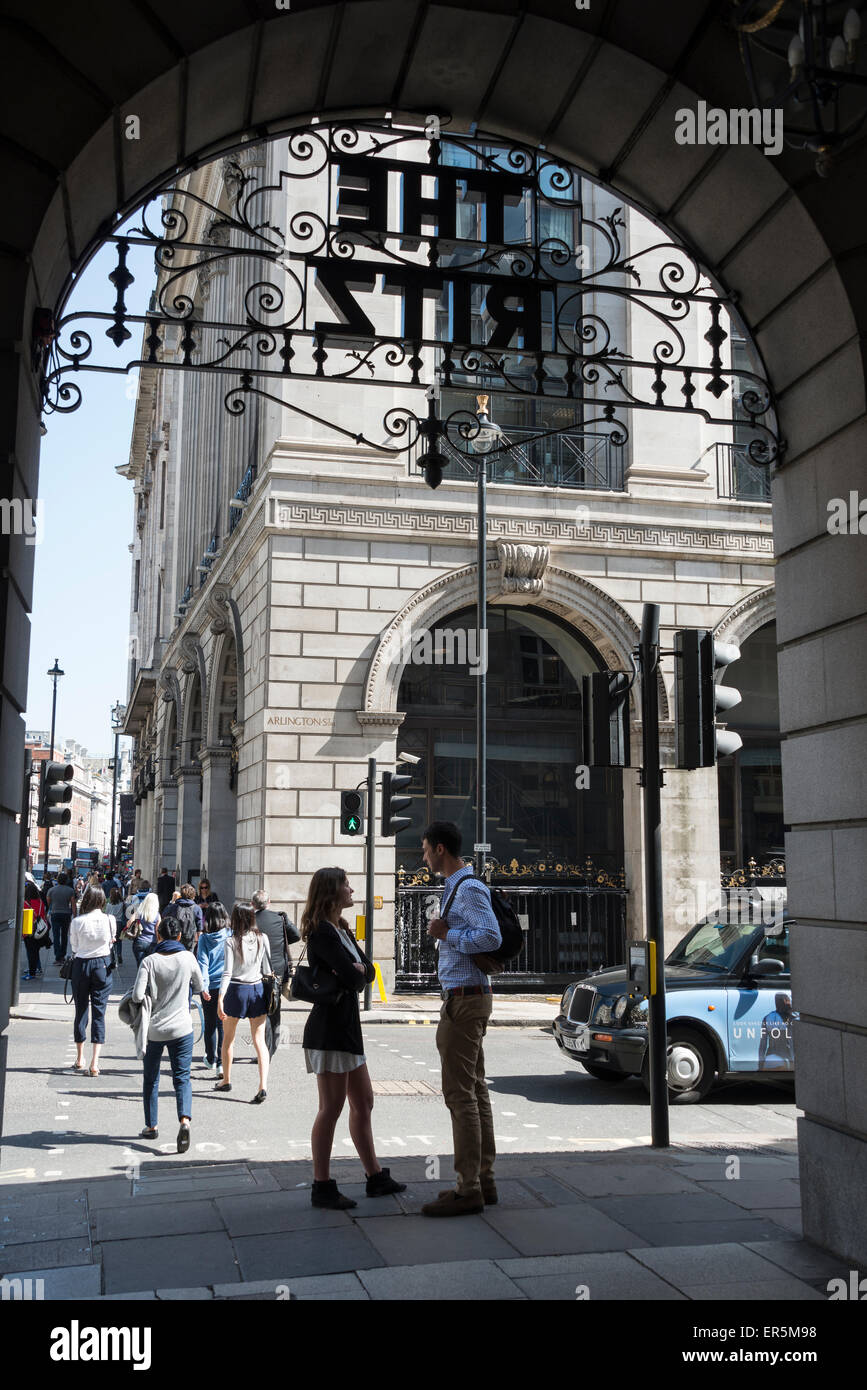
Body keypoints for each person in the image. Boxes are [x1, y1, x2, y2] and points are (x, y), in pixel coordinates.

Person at [301, 867, 405, 1210]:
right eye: (346, 884)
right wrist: (356, 971)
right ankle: (322, 1185)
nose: (351, 889)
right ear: (331, 891)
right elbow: (353, 976)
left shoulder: (342, 929)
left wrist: (358, 971)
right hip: (330, 1028)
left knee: (364, 1101)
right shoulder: (321, 933)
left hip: (346, 1027)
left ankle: (375, 1176)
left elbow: (367, 972)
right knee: (330, 1108)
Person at [420, 821, 501, 1217]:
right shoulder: (458, 887)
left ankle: (468, 1188)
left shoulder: (467, 888)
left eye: (425, 850)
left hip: (464, 1002)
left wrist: (445, 934)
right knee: (475, 1090)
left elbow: (490, 938)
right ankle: (483, 1180)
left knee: (459, 1096)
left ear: (439, 849)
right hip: (468, 999)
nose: (423, 857)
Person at [132, 916, 205, 1151]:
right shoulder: (188, 957)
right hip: (182, 1026)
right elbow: (200, 986)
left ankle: (151, 1126)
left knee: (151, 1078)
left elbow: (136, 995)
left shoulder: (149, 961)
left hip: (155, 1028)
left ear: (158, 935)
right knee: (182, 1077)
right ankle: (185, 1120)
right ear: (180, 936)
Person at [214, 902, 272, 1102]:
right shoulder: (262, 938)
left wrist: (220, 997)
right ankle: (263, 1085)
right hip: (256, 989)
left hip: (236, 990)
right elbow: (267, 969)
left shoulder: (231, 941)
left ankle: (226, 1080)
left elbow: (227, 972)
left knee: (228, 1038)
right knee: (259, 1040)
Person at [68, 885, 115, 1076]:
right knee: (99, 1012)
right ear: (102, 900)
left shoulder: (78, 921)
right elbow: (112, 941)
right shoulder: (110, 919)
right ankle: (95, 1062)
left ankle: (80, 1058)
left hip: (81, 965)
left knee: (80, 1010)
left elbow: (74, 946)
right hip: (102, 965)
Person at [252, 888, 299, 1059]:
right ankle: (270, 1050)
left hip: (256, 972)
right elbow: (296, 935)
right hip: (277, 971)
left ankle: (262, 1049)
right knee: (274, 1011)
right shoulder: (280, 918)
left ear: (252, 904)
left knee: (259, 1012)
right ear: (269, 902)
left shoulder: (250, 919)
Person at [196, 901, 231, 1077]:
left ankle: (211, 1058)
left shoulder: (203, 938)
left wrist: (204, 986)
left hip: (209, 986)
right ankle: (221, 1064)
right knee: (223, 1024)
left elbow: (202, 963)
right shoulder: (230, 935)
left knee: (209, 1024)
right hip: (227, 986)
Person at [47, 873, 77, 965]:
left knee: (56, 936)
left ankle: (57, 956)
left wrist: (50, 911)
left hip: (55, 914)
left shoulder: (51, 890)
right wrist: (74, 916)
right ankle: (63, 956)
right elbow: (73, 905)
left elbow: (48, 902)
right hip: (66, 914)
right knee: (64, 936)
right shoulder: (70, 890)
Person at [22, 879, 49, 979]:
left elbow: (24, 918)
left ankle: (32, 972)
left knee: (30, 952)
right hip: (39, 930)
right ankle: (37, 967)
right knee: (35, 950)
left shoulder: (25, 903)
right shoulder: (40, 902)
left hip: (28, 930)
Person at [126, 891, 161, 968]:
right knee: (151, 966)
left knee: (140, 965)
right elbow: (157, 930)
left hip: (139, 941)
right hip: (152, 942)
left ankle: (141, 978)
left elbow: (129, 923)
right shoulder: (157, 915)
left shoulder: (139, 912)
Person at [162, 883, 202, 951]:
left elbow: (164, 914)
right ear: (193, 896)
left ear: (181, 895)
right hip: (190, 940)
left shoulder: (174, 906)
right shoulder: (196, 908)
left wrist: (172, 901)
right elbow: (199, 928)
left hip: (175, 939)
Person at [105, 886, 127, 968]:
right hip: (119, 923)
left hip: (110, 923)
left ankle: (113, 959)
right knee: (119, 940)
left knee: (112, 941)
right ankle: (119, 954)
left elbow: (106, 914)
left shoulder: (109, 904)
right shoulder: (122, 904)